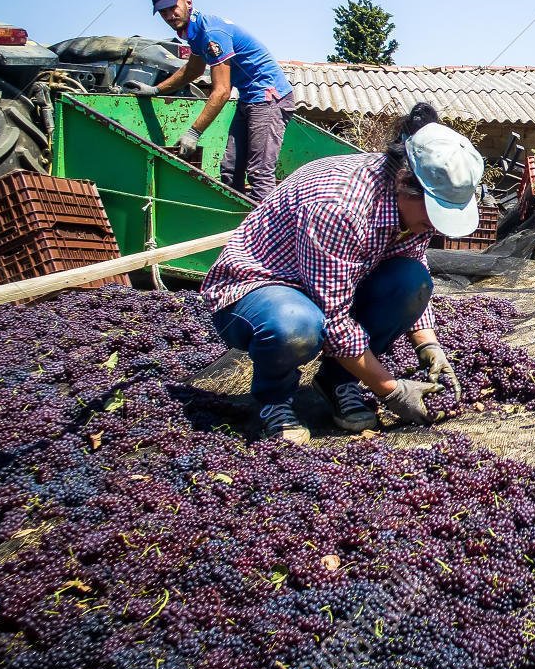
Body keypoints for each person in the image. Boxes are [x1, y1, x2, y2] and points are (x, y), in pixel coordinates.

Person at [199, 102, 483, 444]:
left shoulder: (409, 204)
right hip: (258, 290)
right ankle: (273, 401)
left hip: (327, 287)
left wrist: (428, 344)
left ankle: (336, 381)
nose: (435, 226)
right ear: (406, 181)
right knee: (296, 325)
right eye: (435, 210)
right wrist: (392, 391)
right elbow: (333, 319)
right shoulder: (340, 208)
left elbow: (411, 266)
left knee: (412, 281)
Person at [140, 0, 296, 202]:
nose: (169, 15)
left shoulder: (212, 34)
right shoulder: (195, 32)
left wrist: (193, 133)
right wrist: (156, 90)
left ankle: (269, 234)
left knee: (259, 174)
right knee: (231, 171)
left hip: (269, 98)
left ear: (188, 2)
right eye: (163, 11)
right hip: (249, 99)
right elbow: (192, 70)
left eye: (173, 7)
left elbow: (222, 91)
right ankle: (237, 227)